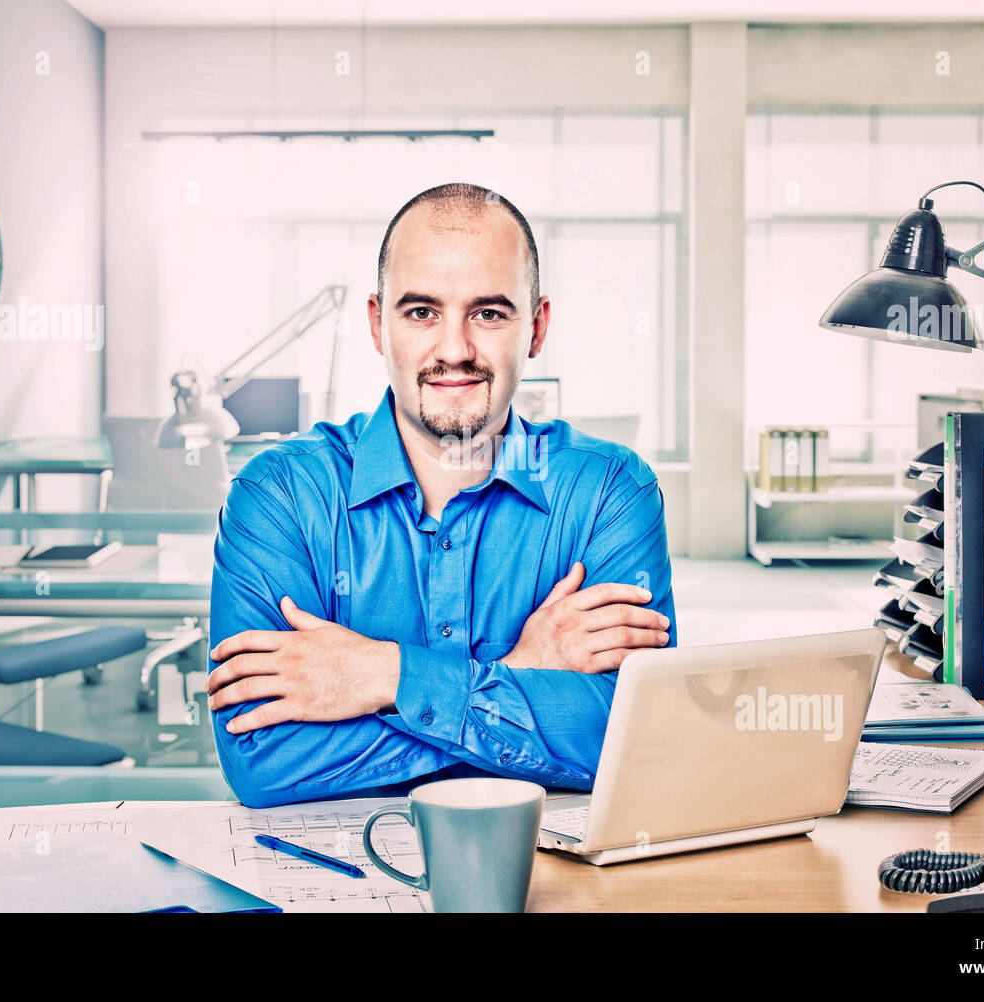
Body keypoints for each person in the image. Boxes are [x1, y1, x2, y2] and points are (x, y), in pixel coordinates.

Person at [206, 181, 677, 807]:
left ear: (535, 328)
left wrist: (383, 675)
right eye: (422, 312)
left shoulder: (609, 493)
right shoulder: (281, 497)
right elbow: (262, 758)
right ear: (379, 325)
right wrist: (520, 680)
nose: (454, 350)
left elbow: (639, 738)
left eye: (488, 313)